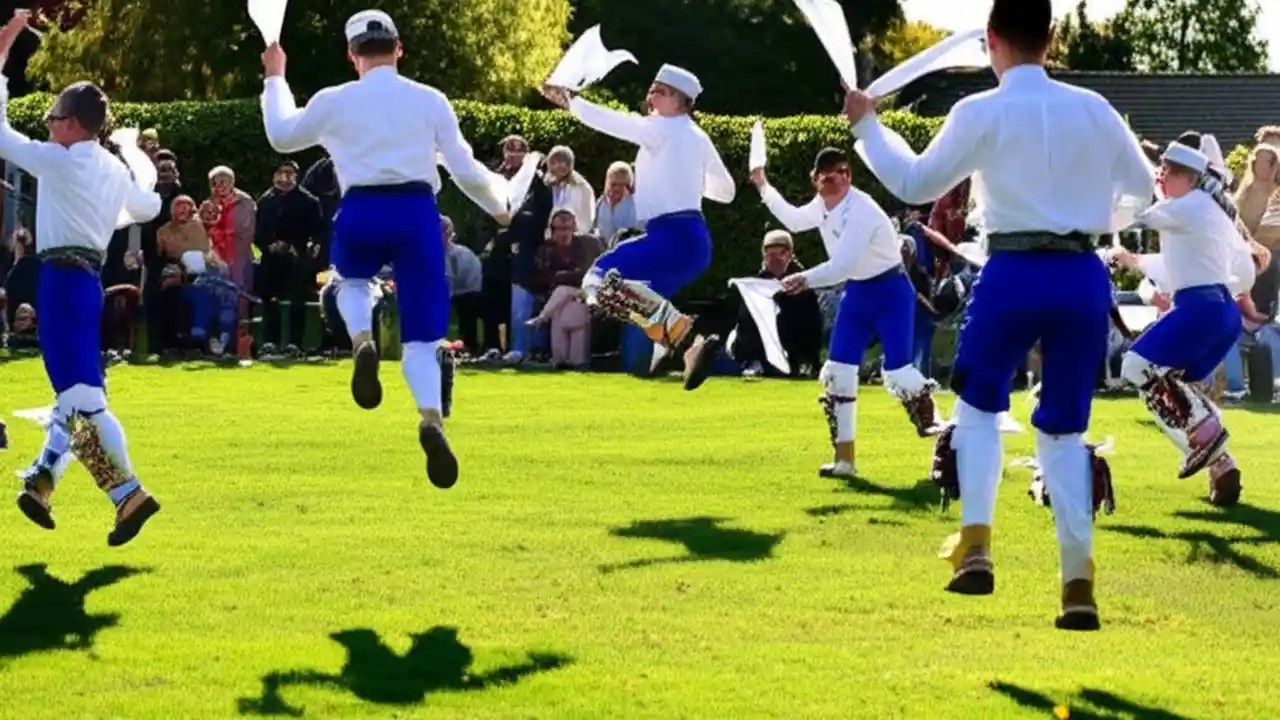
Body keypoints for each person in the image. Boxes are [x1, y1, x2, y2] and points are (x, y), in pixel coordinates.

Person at [842, 0, 1154, 631]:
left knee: (980, 408)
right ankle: (1076, 584)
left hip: (1012, 271)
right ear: (1052, 37)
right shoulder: (1094, 109)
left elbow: (912, 182)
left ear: (990, 41)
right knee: (1064, 430)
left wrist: (867, 126)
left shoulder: (979, 110)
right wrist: (1095, 222)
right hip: (1080, 274)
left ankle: (977, 543)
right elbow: (1144, 192)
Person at [259, 9, 510, 489]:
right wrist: (501, 206)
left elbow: (281, 135)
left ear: (353, 55)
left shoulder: (336, 100)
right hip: (418, 213)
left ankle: (361, 341)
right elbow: (465, 168)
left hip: (362, 208)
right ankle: (431, 420)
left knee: (349, 280)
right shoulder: (429, 100)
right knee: (423, 340)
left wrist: (276, 77)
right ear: (399, 49)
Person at [0, 11, 164, 544]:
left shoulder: (60, 160)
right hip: (86, 282)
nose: (46, 122)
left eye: (52, 115)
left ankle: (128, 494)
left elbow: (0, 134)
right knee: (74, 394)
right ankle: (44, 477)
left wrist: (2, 55)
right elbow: (147, 205)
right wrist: (136, 153)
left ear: (71, 123)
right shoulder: (111, 170)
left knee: (82, 398)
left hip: (62, 284)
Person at [540, 63, 735, 391]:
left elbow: (614, 122)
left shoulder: (660, 128)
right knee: (630, 294)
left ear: (679, 101)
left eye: (659, 91)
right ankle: (682, 345)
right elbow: (726, 191)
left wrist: (570, 101)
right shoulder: (698, 137)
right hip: (694, 243)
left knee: (598, 279)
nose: (650, 95)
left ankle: (686, 340)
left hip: (671, 236)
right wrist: (684, 179)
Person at [752, 148, 942, 479]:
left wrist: (804, 278)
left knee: (899, 372)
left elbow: (843, 264)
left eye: (841, 173)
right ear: (815, 180)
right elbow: (796, 220)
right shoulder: (822, 205)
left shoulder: (862, 210)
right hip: (857, 294)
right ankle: (844, 459)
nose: (835, 181)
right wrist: (764, 186)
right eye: (826, 177)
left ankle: (951, 433)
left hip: (890, 290)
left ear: (849, 176)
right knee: (839, 372)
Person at [1112, 143, 1256, 507]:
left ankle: (1211, 448)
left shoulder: (1189, 206)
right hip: (1218, 312)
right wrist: (1134, 260)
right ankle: (1221, 464)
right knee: (1166, 384)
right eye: (1162, 167)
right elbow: (1178, 269)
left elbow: (1137, 213)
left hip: (1202, 310)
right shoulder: (1199, 211)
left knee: (1135, 368)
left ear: (1192, 179)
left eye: (1172, 171)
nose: (1162, 174)